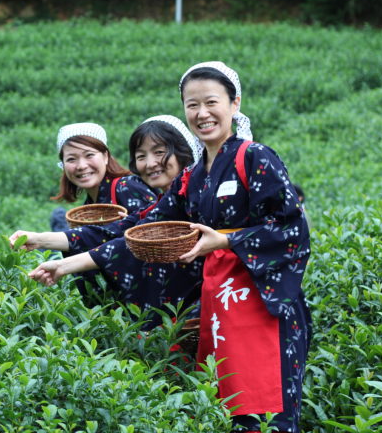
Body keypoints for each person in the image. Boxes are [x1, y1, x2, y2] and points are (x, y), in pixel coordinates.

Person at [35, 62, 311, 432]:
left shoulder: (255, 157)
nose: (202, 113)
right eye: (191, 105)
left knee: (265, 413)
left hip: (262, 303)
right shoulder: (193, 177)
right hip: (219, 305)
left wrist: (227, 240)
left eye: (211, 102)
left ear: (234, 103)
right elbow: (140, 230)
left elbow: (292, 229)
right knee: (226, 409)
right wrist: (64, 264)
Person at [14, 115, 201, 310]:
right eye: (71, 159)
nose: (81, 165)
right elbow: (111, 234)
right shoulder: (161, 204)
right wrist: (40, 241)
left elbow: (125, 241)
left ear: (106, 156)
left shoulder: (127, 187)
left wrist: (58, 259)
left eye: (89, 155)